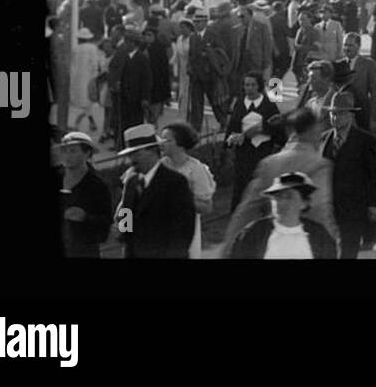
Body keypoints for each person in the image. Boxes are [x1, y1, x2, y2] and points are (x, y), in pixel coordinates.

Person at [224, 107, 340, 252]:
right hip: (305, 243)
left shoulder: (269, 163)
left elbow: (246, 210)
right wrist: (331, 243)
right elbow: (319, 211)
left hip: (272, 241)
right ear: (314, 131)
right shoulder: (319, 165)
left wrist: (228, 246)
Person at [115, 123, 196, 259]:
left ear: (153, 151)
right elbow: (126, 214)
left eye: (137, 154)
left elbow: (183, 229)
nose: (132, 160)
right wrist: (122, 231)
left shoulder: (175, 182)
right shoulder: (131, 182)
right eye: (130, 155)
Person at [321, 91, 376, 256]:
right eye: (332, 114)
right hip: (328, 207)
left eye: (340, 114)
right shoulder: (323, 140)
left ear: (350, 115)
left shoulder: (365, 141)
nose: (335, 118)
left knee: (348, 250)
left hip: (354, 208)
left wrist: (374, 204)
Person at [229, 172, 339, 259]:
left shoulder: (320, 237)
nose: (281, 202)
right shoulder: (253, 233)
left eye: (288, 197)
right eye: (277, 197)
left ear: (304, 203)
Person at [224, 72, 284, 215]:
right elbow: (233, 126)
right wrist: (231, 140)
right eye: (246, 85)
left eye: (252, 85)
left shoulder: (268, 105)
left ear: (259, 86)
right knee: (241, 181)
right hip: (243, 150)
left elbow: (278, 129)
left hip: (262, 150)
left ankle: (263, 211)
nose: (249, 88)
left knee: (261, 180)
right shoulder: (239, 104)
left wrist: (261, 129)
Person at [160, 121, 216, 259]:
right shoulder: (158, 166)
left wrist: (180, 198)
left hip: (185, 228)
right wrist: (125, 229)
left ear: (180, 144)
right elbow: (128, 204)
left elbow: (206, 207)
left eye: (167, 140)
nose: (161, 143)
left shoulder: (195, 169)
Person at [58, 131, 112, 259]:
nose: (67, 156)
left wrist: (85, 218)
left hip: (83, 251)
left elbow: (106, 225)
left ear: (87, 154)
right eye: (64, 151)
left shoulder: (97, 187)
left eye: (73, 151)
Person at [340, 33, 376, 133]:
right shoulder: (339, 65)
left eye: (350, 45)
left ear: (358, 46)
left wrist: (373, 117)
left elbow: (375, 93)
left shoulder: (369, 64)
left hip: (362, 113)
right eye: (345, 45)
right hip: (342, 115)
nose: (347, 48)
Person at [118, 27, 153, 131]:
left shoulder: (142, 58)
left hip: (137, 98)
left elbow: (147, 79)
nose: (125, 44)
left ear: (133, 43)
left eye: (127, 42)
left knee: (135, 124)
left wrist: (145, 97)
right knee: (125, 124)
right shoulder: (125, 57)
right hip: (125, 97)